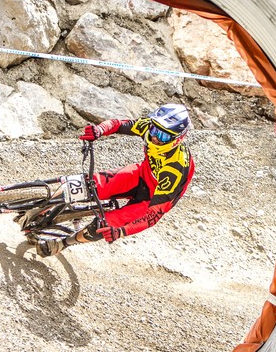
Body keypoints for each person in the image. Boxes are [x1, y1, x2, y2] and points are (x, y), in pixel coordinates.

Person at [36, 103, 195, 257]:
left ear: (177, 139)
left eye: (163, 135)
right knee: (86, 184)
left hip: (150, 201)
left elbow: (153, 215)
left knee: (103, 227)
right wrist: (99, 130)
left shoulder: (175, 168)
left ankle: (63, 243)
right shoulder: (151, 128)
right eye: (154, 129)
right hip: (139, 175)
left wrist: (119, 232)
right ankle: (41, 206)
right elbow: (118, 124)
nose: (154, 137)